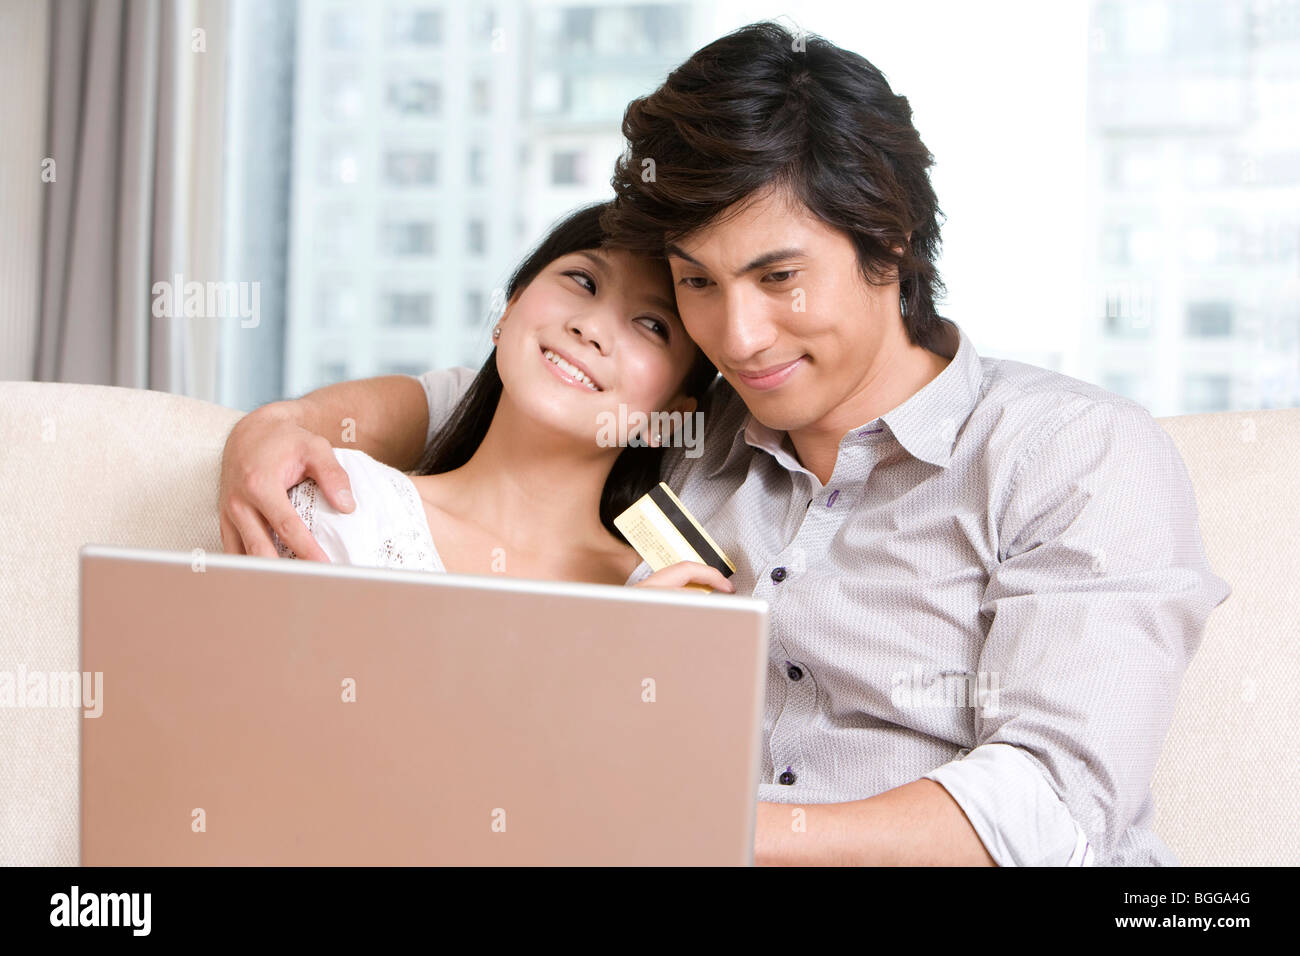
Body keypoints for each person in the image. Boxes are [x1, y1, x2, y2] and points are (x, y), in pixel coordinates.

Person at [220, 22, 1231, 866]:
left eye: (778, 277)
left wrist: (707, 831)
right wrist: (282, 428)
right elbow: (472, 396)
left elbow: (1052, 806)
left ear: (888, 245)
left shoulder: (1073, 455)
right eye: (696, 282)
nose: (737, 336)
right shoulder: (680, 422)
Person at [258, 201, 730, 592]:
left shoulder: (671, 595)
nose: (592, 328)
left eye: (652, 325)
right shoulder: (344, 505)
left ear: (670, 415)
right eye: (583, 282)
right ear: (511, 306)